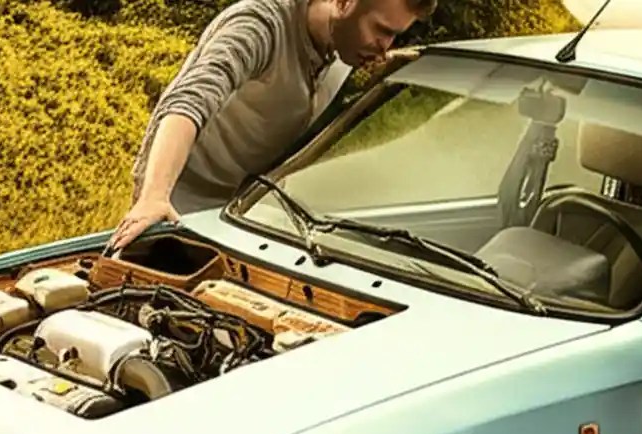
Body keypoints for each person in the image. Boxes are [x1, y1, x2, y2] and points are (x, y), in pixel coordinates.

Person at [108, 0, 436, 252]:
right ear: (343, 2)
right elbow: (189, 100)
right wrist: (153, 196)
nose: (385, 47)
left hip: (247, 215)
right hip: (178, 211)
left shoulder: (344, 44)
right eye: (381, 30)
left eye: (395, 35)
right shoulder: (259, 24)